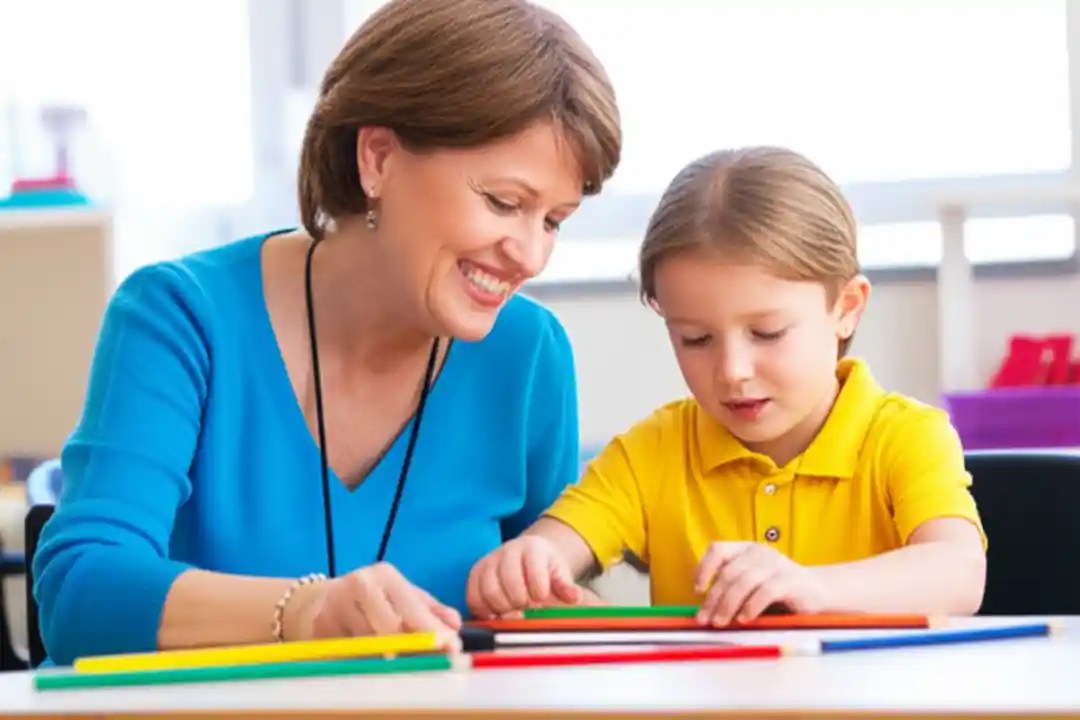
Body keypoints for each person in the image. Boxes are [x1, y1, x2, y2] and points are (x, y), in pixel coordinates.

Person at [32, 0, 621, 665]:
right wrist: (306, 610)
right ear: (378, 158)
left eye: (554, 220)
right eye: (504, 203)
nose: (530, 256)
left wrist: (566, 609)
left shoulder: (528, 356)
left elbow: (536, 611)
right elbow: (78, 593)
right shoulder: (180, 316)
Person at [467, 146, 987, 626]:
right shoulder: (654, 452)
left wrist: (812, 587)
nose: (732, 370)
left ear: (846, 309)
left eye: (767, 333)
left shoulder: (907, 437)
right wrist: (526, 570)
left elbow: (959, 573)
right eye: (695, 339)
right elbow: (551, 548)